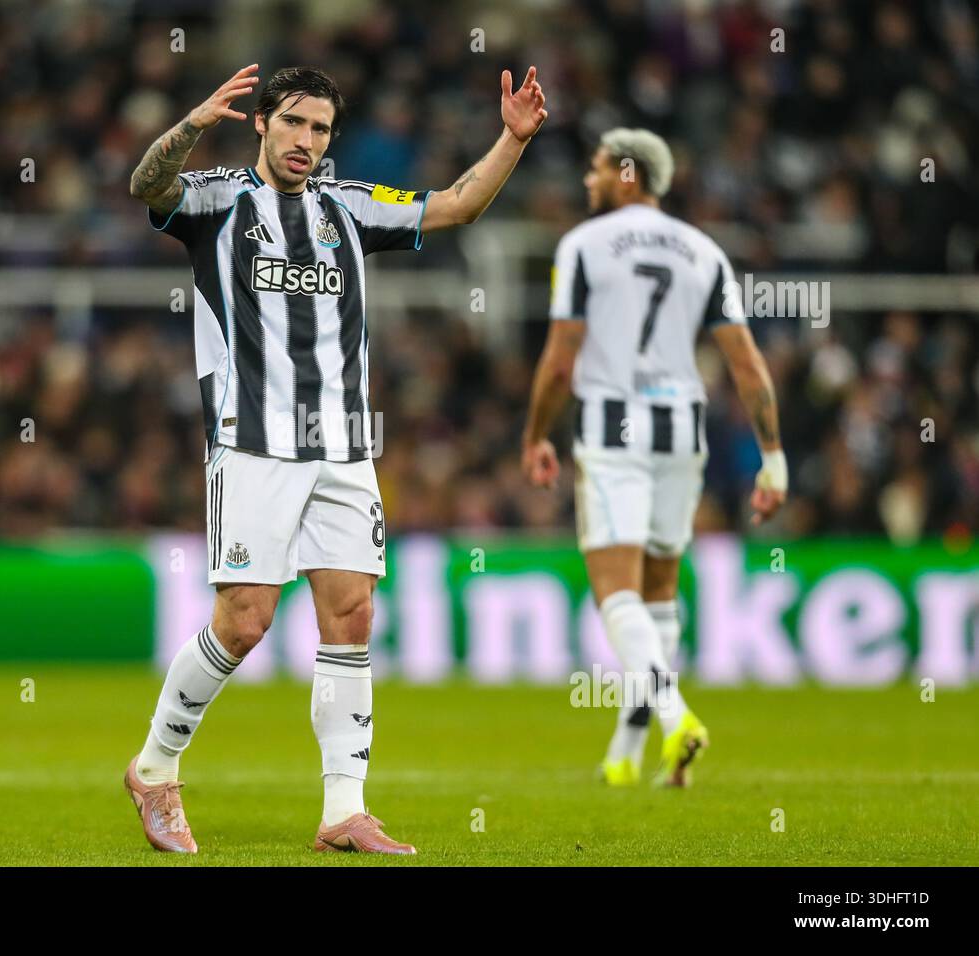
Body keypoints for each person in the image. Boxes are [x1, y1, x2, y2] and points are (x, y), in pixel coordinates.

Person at [125, 63, 547, 853]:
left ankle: (343, 810)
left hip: (346, 446)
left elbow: (456, 204)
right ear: (260, 123)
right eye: (293, 123)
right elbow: (145, 186)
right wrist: (189, 125)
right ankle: (155, 768)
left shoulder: (349, 209)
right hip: (251, 440)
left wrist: (512, 140)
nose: (306, 141)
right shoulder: (216, 200)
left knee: (351, 613)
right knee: (245, 624)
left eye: (320, 129)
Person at [521, 128, 787, 787]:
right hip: (682, 432)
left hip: (615, 431)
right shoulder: (704, 251)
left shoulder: (583, 245)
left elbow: (560, 363)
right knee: (659, 591)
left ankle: (675, 716)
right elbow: (747, 364)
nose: (589, 180)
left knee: (614, 590)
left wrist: (535, 436)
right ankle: (628, 750)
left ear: (629, 173)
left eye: (597, 168)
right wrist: (774, 455)